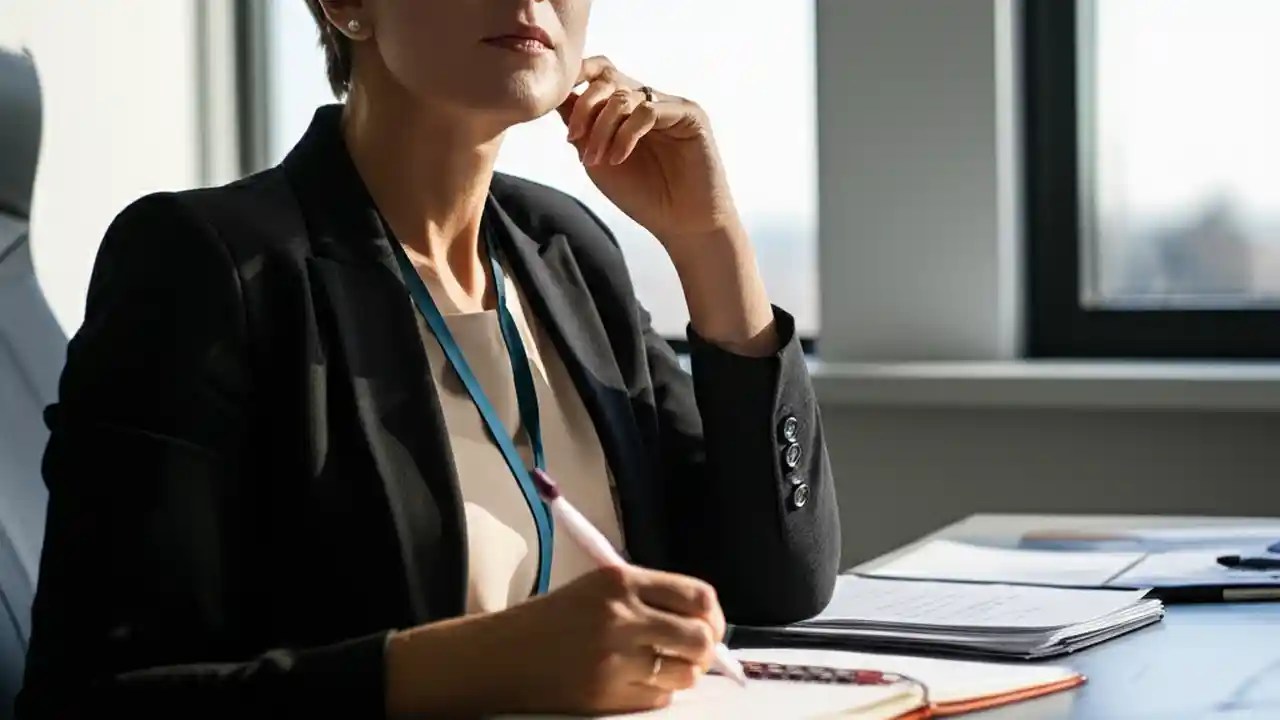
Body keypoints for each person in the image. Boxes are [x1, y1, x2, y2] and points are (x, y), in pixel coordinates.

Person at [17, 0, 840, 717]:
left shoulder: (566, 253)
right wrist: (480, 665)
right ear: (347, 2)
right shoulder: (210, 267)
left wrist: (709, 244)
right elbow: (94, 696)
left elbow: (776, 583)